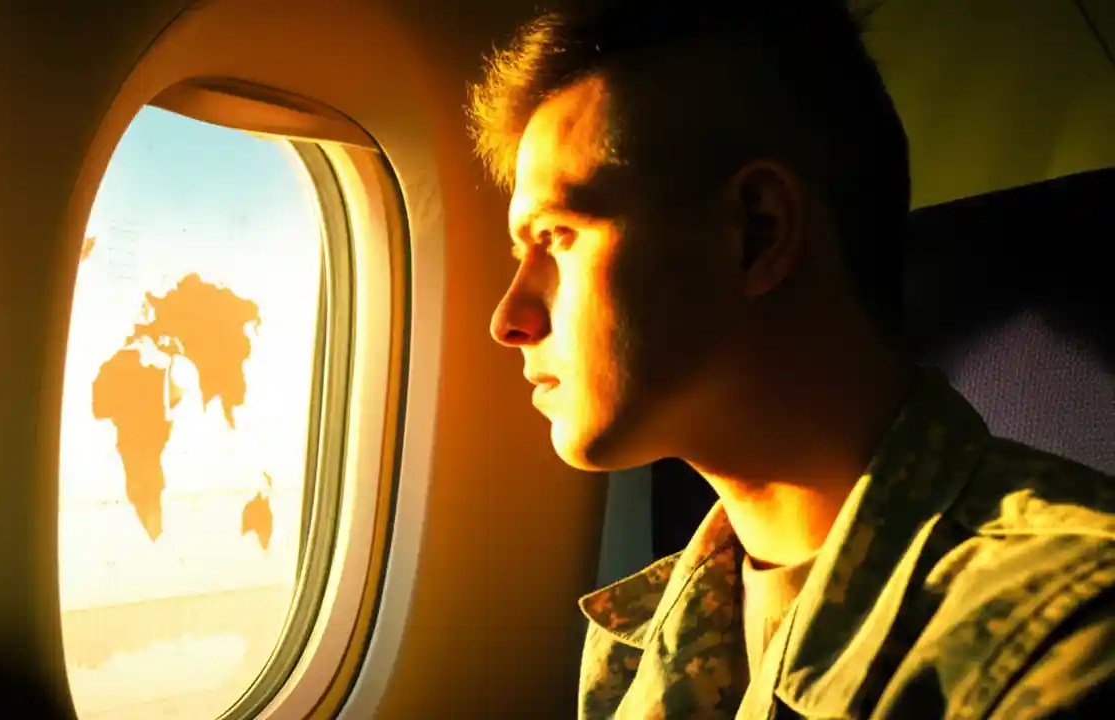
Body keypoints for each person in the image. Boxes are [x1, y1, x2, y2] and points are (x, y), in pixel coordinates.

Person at [468, 1, 1115, 717]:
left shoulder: (1068, 630)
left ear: (757, 232)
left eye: (558, 235)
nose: (508, 320)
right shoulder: (636, 640)